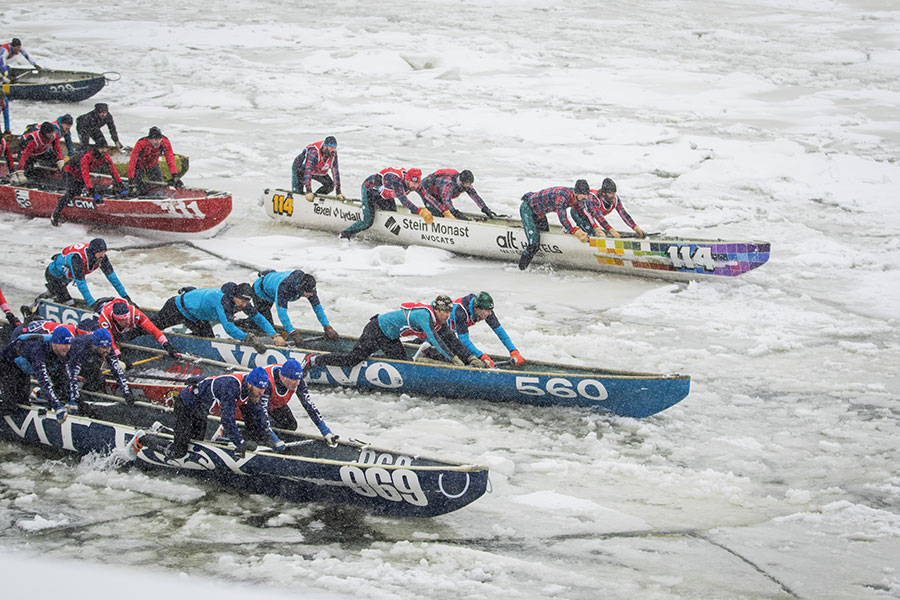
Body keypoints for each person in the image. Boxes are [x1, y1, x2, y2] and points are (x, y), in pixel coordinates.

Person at [306, 295, 460, 370]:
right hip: (376, 330)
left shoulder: (438, 319)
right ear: (437, 310)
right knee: (351, 361)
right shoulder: (424, 316)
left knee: (402, 363)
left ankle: (371, 358)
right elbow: (434, 338)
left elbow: (447, 338)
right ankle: (314, 360)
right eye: (445, 312)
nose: (447, 316)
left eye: (449, 312)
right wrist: (452, 358)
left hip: (389, 338)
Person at [164, 367, 285, 460]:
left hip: (201, 410)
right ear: (250, 384)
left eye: (264, 389)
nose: (261, 393)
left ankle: (172, 435)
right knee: (181, 449)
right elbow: (227, 419)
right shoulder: (231, 386)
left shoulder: (252, 391)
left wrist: (269, 437)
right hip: (186, 404)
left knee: (197, 443)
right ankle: (154, 442)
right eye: (259, 389)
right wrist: (240, 443)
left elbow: (259, 414)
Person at [151, 282, 285, 352]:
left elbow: (259, 317)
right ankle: (131, 333)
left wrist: (274, 335)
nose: (244, 305)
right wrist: (249, 339)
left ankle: (182, 343)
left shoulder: (242, 302)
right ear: (234, 296)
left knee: (208, 340)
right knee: (151, 327)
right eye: (242, 302)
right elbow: (229, 328)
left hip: (196, 317)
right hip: (177, 308)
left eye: (246, 302)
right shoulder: (224, 301)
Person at [78, 297, 179, 367]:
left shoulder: (135, 313)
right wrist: (119, 356)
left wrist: (166, 345)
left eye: (128, 319)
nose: (126, 323)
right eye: (122, 321)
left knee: (142, 328)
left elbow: (153, 329)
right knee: (100, 339)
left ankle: (123, 341)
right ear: (116, 320)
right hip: (100, 312)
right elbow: (110, 341)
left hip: (116, 306)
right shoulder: (105, 320)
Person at [517, 179, 593, 270]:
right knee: (534, 243)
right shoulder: (562, 197)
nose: (586, 197)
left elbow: (583, 213)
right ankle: (521, 269)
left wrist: (594, 228)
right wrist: (575, 231)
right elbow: (563, 219)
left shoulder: (577, 198)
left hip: (539, 213)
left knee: (546, 236)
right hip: (528, 209)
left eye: (587, 195)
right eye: (584, 195)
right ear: (577, 193)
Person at [250, 270, 338, 346]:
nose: (311, 295)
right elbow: (282, 313)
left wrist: (327, 327)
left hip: (272, 291)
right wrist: (293, 332)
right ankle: (243, 326)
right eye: (308, 293)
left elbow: (318, 308)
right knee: (267, 325)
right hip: (260, 292)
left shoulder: (309, 287)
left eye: (312, 292)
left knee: (264, 321)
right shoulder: (284, 288)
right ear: (300, 289)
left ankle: (250, 322)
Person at [339, 167, 432, 239]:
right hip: (370, 190)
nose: (415, 186)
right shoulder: (396, 180)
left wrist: (444, 211)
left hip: (384, 194)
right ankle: (345, 235)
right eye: (413, 183)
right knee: (367, 222)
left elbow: (427, 196)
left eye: (417, 183)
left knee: (393, 214)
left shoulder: (414, 184)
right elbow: (404, 201)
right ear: (407, 180)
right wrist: (420, 211)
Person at [0, 325, 72, 419]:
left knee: (23, 402)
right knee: (10, 404)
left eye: (69, 344)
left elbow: (65, 378)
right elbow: (43, 381)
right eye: (64, 344)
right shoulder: (38, 349)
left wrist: (71, 399)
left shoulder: (63, 352)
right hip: (6, 365)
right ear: (54, 343)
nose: (67, 347)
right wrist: (57, 406)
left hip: (22, 368)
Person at [260, 359, 337, 443]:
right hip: (251, 406)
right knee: (262, 424)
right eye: (294, 380)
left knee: (291, 425)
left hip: (273, 404)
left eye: (298, 380)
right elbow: (261, 412)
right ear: (283, 377)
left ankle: (278, 441)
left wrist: (325, 431)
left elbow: (308, 405)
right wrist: (273, 439)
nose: (297, 383)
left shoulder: (297, 381)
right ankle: (262, 438)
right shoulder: (266, 381)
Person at [50, 144, 127, 226]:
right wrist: (92, 192)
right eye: (102, 148)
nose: (104, 151)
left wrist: (121, 185)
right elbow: (86, 176)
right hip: (69, 171)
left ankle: (87, 208)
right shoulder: (87, 157)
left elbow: (113, 172)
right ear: (97, 149)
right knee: (72, 192)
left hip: (80, 174)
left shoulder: (105, 157)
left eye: (106, 148)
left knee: (84, 190)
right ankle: (56, 213)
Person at [44, 238, 130, 308]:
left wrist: (126, 298)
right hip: (54, 276)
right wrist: (93, 304)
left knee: (56, 292)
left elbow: (113, 278)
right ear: (93, 252)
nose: (103, 255)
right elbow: (81, 284)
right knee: (69, 303)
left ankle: (51, 292)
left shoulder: (101, 258)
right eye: (100, 252)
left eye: (104, 252)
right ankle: (43, 300)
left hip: (66, 277)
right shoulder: (77, 259)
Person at [62, 328, 132, 412]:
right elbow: (71, 375)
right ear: (95, 345)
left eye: (108, 347)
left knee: (99, 381)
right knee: (64, 382)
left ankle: (85, 394)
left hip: (86, 361)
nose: (107, 350)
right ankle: (65, 396)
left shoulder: (107, 349)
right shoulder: (81, 347)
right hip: (64, 361)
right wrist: (74, 398)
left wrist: (126, 392)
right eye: (104, 348)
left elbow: (117, 370)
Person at [446, 291, 524, 367]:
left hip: (449, 332)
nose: (490, 313)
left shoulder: (485, 310)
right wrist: (481, 356)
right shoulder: (460, 312)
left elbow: (499, 331)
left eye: (491, 310)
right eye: (488, 311)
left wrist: (513, 351)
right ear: (477, 308)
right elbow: (464, 340)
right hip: (438, 330)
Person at [417, 169, 498, 220]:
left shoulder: (466, 183)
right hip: (427, 188)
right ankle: (422, 216)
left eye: (471, 184)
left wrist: (485, 208)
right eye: (469, 184)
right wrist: (455, 212)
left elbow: (475, 196)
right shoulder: (449, 185)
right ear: (462, 183)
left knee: (445, 211)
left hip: (438, 190)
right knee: (439, 212)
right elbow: (446, 201)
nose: (470, 186)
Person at [581, 178, 646, 239]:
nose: (613, 195)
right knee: (597, 234)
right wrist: (611, 230)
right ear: (603, 193)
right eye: (610, 193)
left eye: (614, 192)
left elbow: (624, 214)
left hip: (591, 217)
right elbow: (599, 217)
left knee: (601, 232)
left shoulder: (615, 199)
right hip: (580, 214)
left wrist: (636, 228)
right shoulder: (594, 198)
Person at [127, 126, 180, 194]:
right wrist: (131, 179)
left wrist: (174, 175)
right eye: (155, 139)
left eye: (159, 139)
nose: (157, 142)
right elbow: (132, 162)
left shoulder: (165, 142)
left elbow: (170, 158)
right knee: (136, 189)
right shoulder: (141, 143)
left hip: (153, 166)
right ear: (149, 139)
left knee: (160, 186)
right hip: (139, 167)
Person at [292, 136, 342, 200]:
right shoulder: (314, 152)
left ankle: (316, 199)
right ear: (325, 146)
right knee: (298, 193)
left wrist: (338, 192)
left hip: (317, 170)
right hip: (301, 170)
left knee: (330, 185)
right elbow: (308, 171)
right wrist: (308, 191)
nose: (334, 150)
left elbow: (335, 172)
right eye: (332, 147)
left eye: (335, 148)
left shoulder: (333, 154)